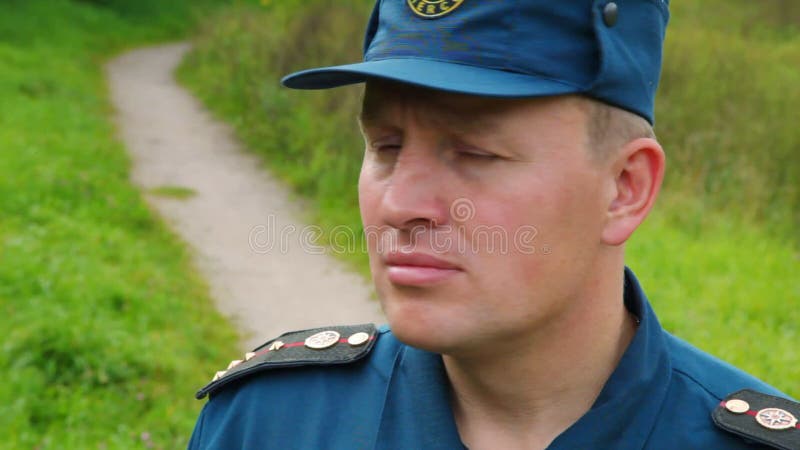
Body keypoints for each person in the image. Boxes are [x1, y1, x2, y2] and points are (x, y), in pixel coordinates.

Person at [188, 1, 799, 449]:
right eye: (386, 144)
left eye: (475, 152)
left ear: (624, 189)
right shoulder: (269, 425)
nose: (400, 204)